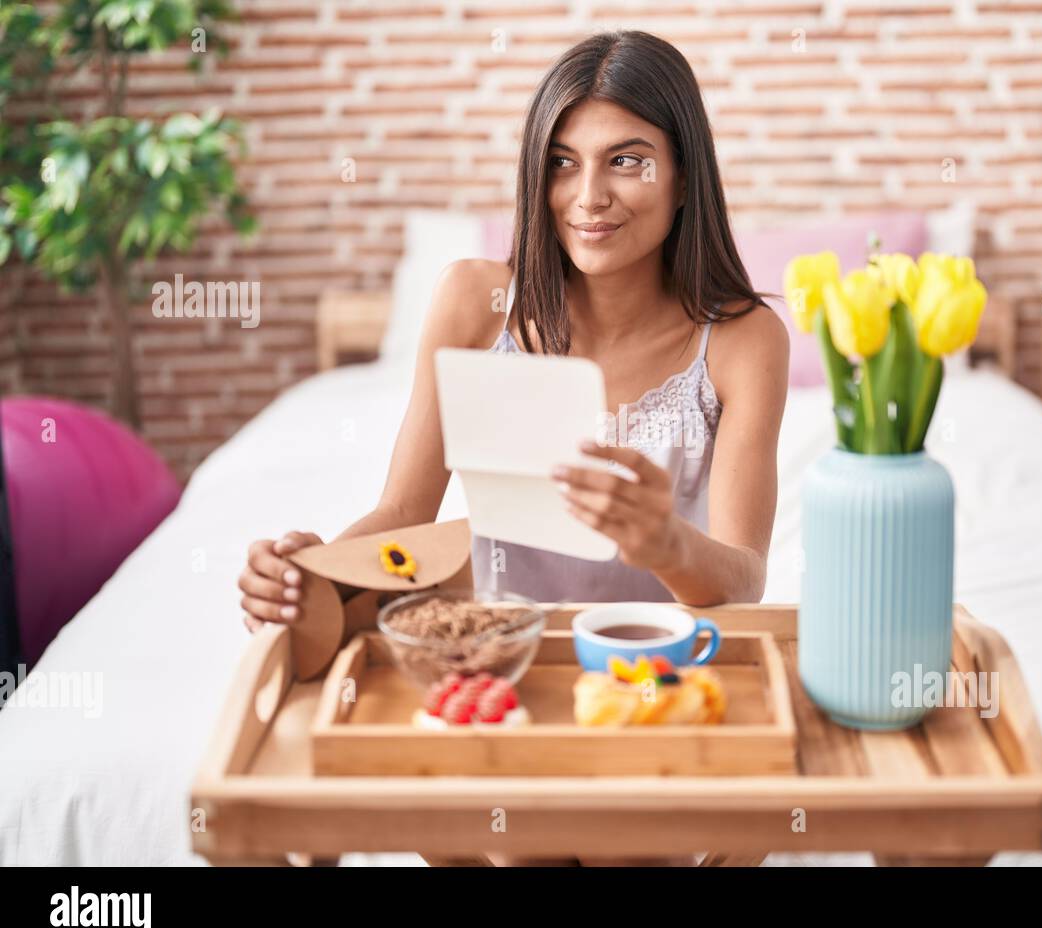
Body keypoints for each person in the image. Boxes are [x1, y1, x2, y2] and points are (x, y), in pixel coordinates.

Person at [236, 29, 789, 866]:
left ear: (684, 179)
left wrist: (663, 540)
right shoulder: (473, 302)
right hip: (495, 680)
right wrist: (303, 575)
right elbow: (402, 518)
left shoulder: (745, 339)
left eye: (627, 161)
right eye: (562, 162)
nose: (588, 195)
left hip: (649, 691)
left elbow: (744, 578)